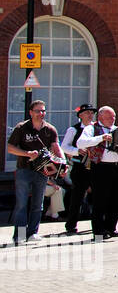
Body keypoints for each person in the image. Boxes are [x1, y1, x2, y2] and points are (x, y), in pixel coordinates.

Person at [6, 100, 65, 244]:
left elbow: (56, 147)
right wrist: (27, 153)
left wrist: (63, 163)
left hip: (43, 171)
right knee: (21, 203)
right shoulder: (21, 128)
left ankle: (32, 233)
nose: (41, 114)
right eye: (38, 111)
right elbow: (10, 148)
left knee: (38, 204)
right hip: (24, 170)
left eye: (43, 111)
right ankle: (19, 235)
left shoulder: (49, 129)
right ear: (31, 112)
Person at [76, 106, 118, 240]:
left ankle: (111, 227)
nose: (112, 120)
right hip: (100, 167)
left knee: (116, 199)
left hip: (117, 167)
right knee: (100, 200)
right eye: (109, 117)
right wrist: (101, 138)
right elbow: (80, 143)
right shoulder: (91, 129)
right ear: (100, 118)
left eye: (114, 117)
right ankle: (99, 231)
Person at [60, 103, 96, 234]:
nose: (90, 115)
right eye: (87, 112)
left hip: (96, 166)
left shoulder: (96, 128)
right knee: (77, 197)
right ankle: (71, 225)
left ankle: (98, 224)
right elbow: (64, 146)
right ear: (80, 115)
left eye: (92, 112)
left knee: (99, 196)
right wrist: (77, 151)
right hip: (80, 167)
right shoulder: (73, 130)